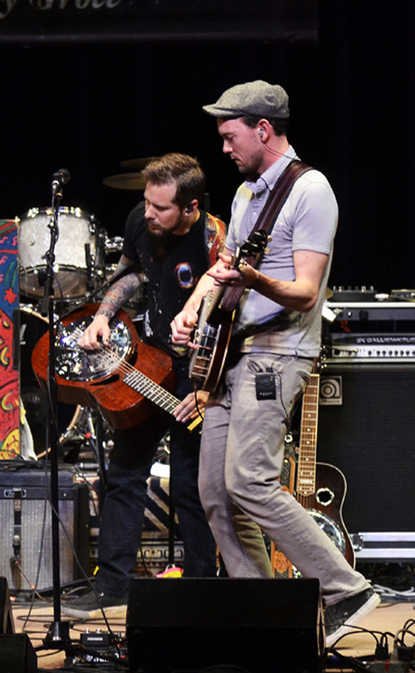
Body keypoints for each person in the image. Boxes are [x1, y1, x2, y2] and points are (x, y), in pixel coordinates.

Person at [170, 80, 376, 645]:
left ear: (263, 130)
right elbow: (223, 271)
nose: (223, 148)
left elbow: (308, 292)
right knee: (214, 491)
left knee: (250, 481)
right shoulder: (243, 197)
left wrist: (254, 278)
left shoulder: (312, 191)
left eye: (230, 135)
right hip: (230, 356)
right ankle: (263, 613)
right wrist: (192, 310)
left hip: (277, 355)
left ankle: (346, 589)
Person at [61, 154, 221, 620]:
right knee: (125, 474)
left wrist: (208, 381)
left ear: (190, 207)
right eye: (146, 203)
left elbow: (230, 313)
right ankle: (112, 586)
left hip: (197, 371)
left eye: (161, 208)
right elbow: (130, 273)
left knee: (192, 486)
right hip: (147, 364)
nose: (148, 214)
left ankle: (198, 593)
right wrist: (103, 315)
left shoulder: (214, 237)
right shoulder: (140, 218)